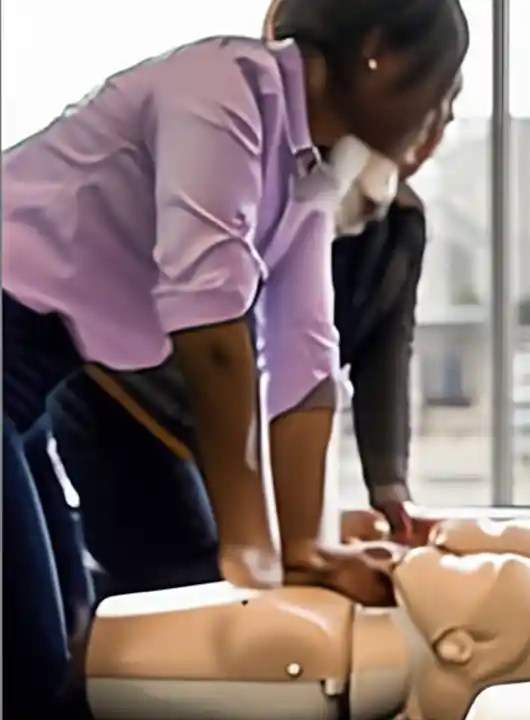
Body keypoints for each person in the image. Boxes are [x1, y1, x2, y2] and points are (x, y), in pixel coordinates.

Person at [1, 0, 468, 711]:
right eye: (442, 81)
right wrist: (251, 549)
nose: (443, 111)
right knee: (27, 653)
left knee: (66, 636)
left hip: (30, 377)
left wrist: (307, 544)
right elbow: (211, 331)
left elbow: (304, 350)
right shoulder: (220, 89)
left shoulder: (306, 170)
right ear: (378, 52)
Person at [46, 126, 454, 599]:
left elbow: (384, 350)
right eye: (428, 112)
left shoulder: (399, 220)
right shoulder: (256, 180)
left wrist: (389, 489)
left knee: (247, 572)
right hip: (134, 387)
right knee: (187, 579)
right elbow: (231, 345)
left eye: (444, 119)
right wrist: (287, 537)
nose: (429, 135)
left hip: (240, 412)